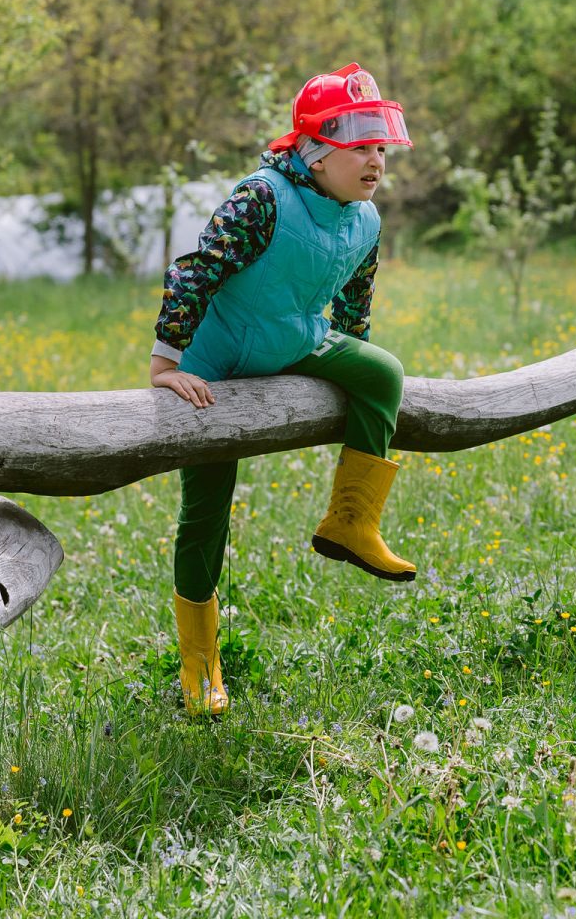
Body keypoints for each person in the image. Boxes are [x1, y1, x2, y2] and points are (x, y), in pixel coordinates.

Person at [149, 63, 415, 716]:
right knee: (207, 513)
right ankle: (199, 670)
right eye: (360, 147)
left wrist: (351, 354)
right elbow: (196, 270)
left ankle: (352, 522)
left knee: (382, 372)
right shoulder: (263, 198)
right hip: (215, 365)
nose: (375, 161)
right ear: (317, 152)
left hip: (294, 342)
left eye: (381, 148)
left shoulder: (364, 219)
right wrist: (167, 364)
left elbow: (354, 298)